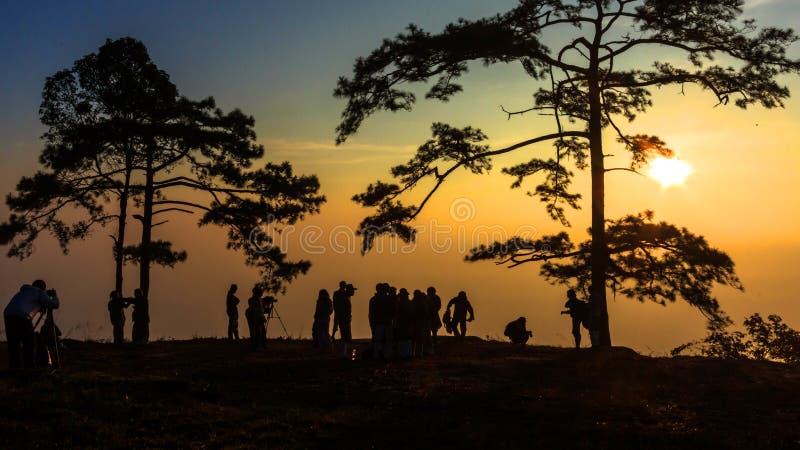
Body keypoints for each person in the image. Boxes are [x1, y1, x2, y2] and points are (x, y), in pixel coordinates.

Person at [4, 280, 60, 369]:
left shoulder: (23, 292)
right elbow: (54, 305)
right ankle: (28, 367)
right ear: (43, 288)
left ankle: (15, 368)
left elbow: (30, 304)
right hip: (23, 316)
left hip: (8, 314)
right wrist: (54, 296)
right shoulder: (39, 292)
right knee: (29, 342)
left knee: (14, 343)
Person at [332, 281, 354, 359]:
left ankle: (343, 353)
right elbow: (338, 307)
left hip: (343, 317)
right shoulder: (342, 295)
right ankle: (342, 353)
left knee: (344, 335)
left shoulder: (340, 295)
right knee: (345, 336)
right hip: (343, 318)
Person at [395, 288, 414, 359]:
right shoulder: (407, 303)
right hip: (403, 323)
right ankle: (405, 354)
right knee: (404, 338)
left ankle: (404, 354)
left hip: (405, 323)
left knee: (405, 338)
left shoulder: (401, 303)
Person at [246, 286, 266, 350]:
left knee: (262, 331)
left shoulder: (260, 300)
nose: (262, 293)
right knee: (256, 332)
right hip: (254, 318)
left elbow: (261, 310)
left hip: (259, 317)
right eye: (260, 292)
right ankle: (256, 345)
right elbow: (255, 310)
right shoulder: (251, 300)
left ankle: (261, 345)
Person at [411, 290, 429, 357]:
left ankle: (416, 353)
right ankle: (418, 353)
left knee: (416, 339)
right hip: (418, 323)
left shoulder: (414, 303)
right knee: (418, 339)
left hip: (418, 323)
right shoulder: (422, 303)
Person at [426, 287, 442, 354]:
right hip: (429, 317)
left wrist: (434, 310)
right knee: (429, 333)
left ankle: (434, 346)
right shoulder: (426, 298)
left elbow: (439, 306)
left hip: (434, 317)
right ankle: (431, 347)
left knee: (434, 332)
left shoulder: (436, 298)